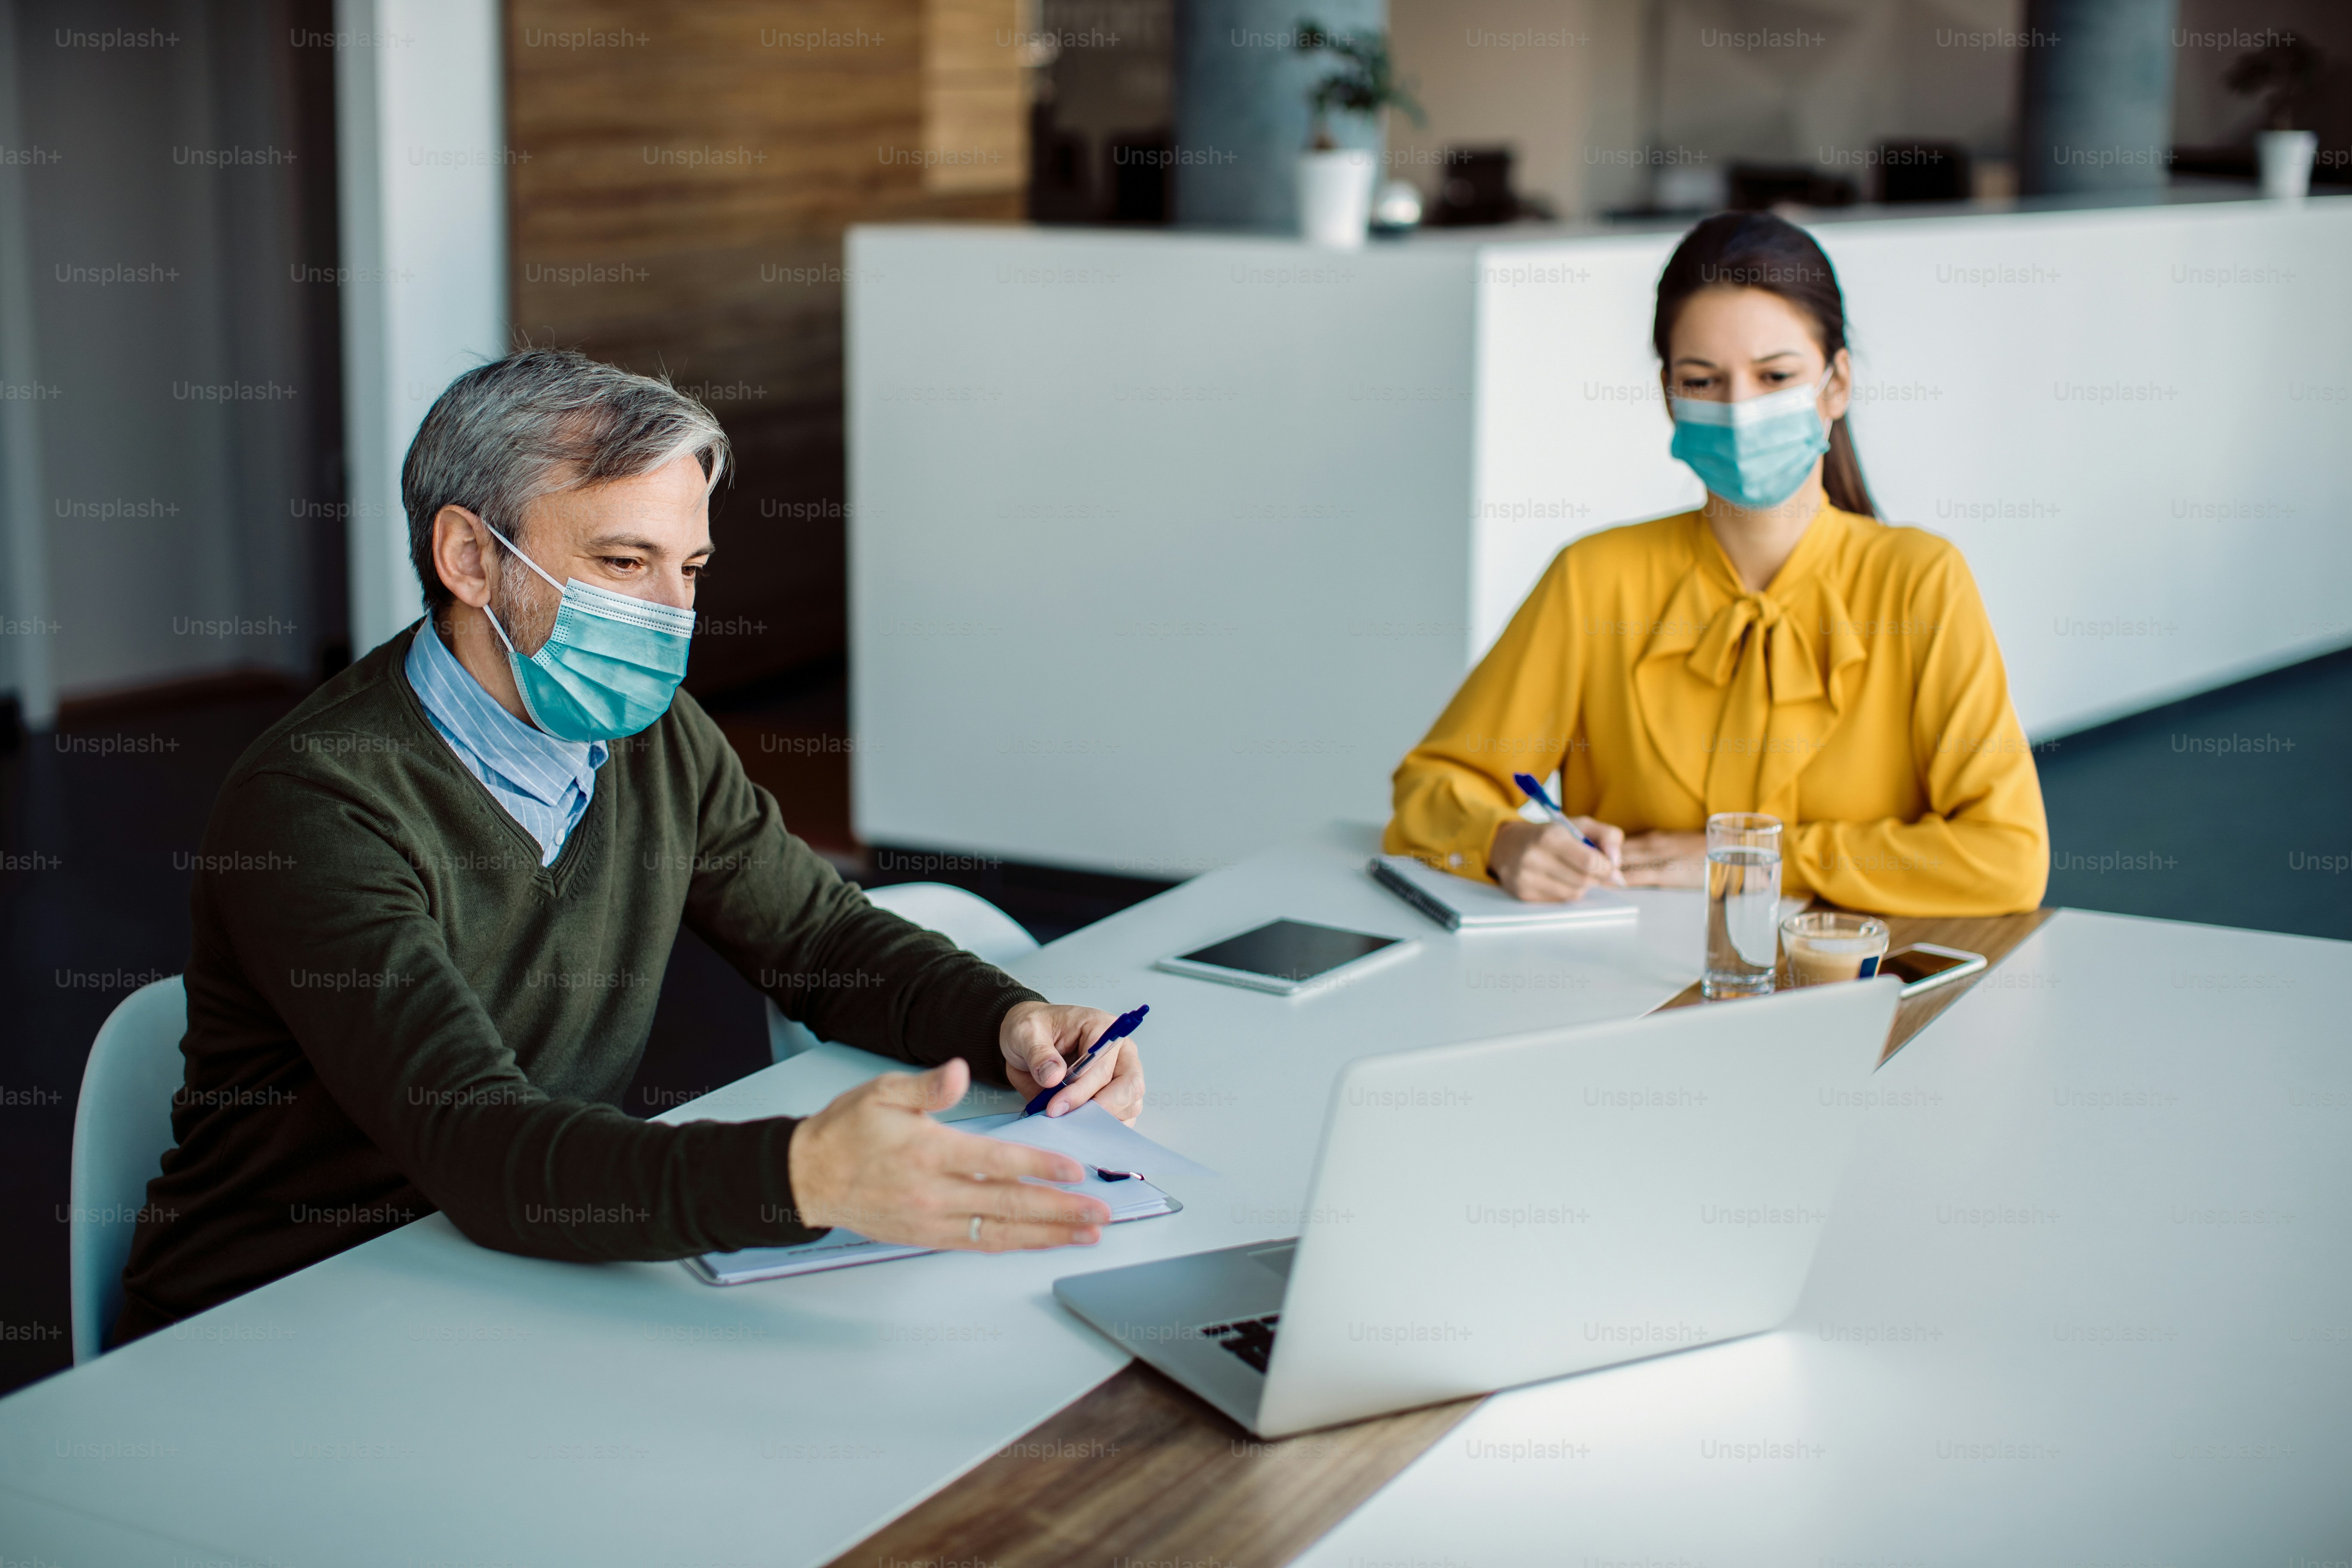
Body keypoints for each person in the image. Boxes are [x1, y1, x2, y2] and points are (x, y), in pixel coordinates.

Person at [114, 350, 1143, 1345]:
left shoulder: (653, 734)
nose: (671, 615)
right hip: (275, 1325)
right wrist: (803, 1178)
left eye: (688, 568)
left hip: (512, 1276)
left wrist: (1011, 1020)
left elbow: (819, 937)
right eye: (621, 562)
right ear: (470, 558)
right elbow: (478, 1147)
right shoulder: (317, 805)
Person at [1385, 212, 2048, 916]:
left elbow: (2007, 856)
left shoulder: (1920, 581)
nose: (1740, 410)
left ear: (1836, 385)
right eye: (1703, 382)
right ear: (1669, 397)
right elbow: (1432, 785)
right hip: (1618, 985)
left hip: (1840, 990)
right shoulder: (1595, 578)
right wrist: (1504, 840)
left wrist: (1755, 860)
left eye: (1775, 376)